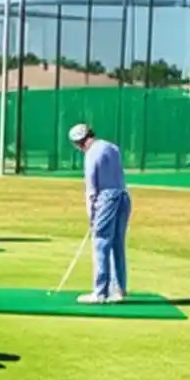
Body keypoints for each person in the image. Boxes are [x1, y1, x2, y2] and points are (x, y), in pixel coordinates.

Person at [69, 123, 131, 304]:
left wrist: (92, 214)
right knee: (117, 244)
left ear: (79, 142)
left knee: (101, 243)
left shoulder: (91, 154)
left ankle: (100, 292)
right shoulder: (112, 147)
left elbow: (91, 187)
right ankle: (119, 289)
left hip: (106, 198)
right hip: (123, 196)